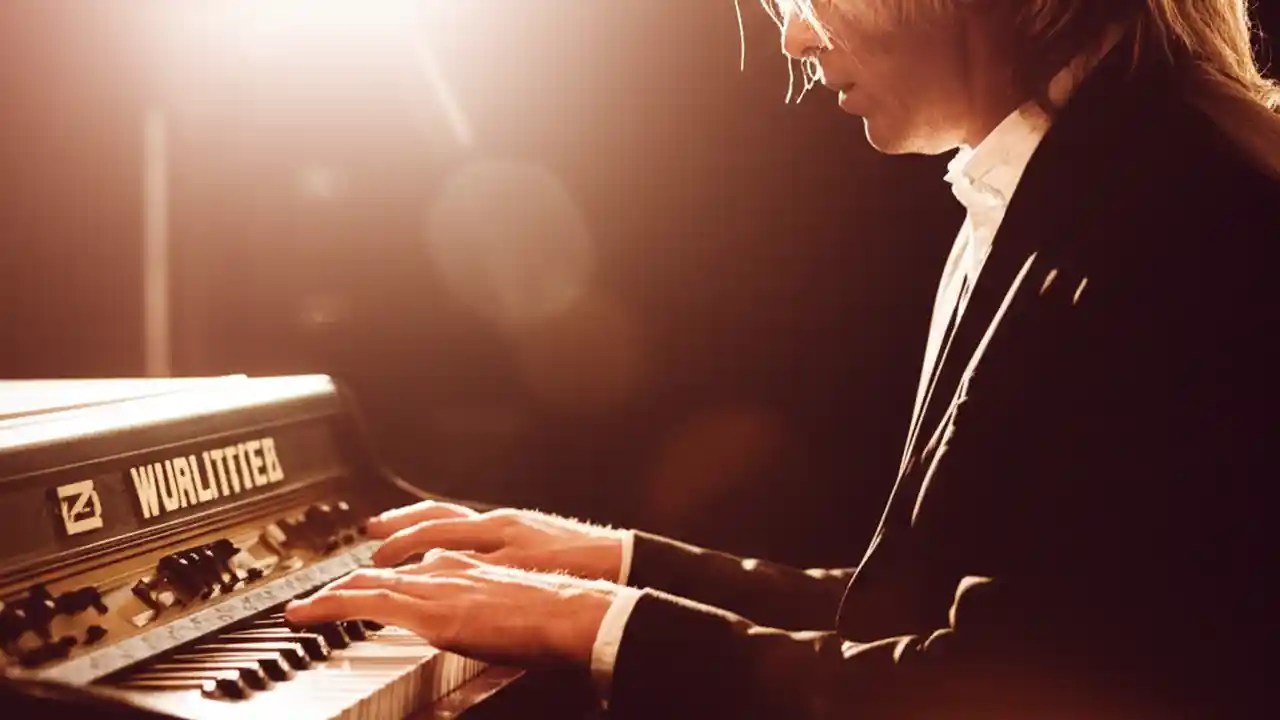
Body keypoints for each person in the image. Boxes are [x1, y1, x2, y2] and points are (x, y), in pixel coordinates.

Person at [286, 1, 1280, 717]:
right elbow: (936, 611)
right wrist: (611, 564)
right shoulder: (1088, 171)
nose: (794, 37)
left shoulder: (1192, 221)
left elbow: (1050, 687)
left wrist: (597, 628)